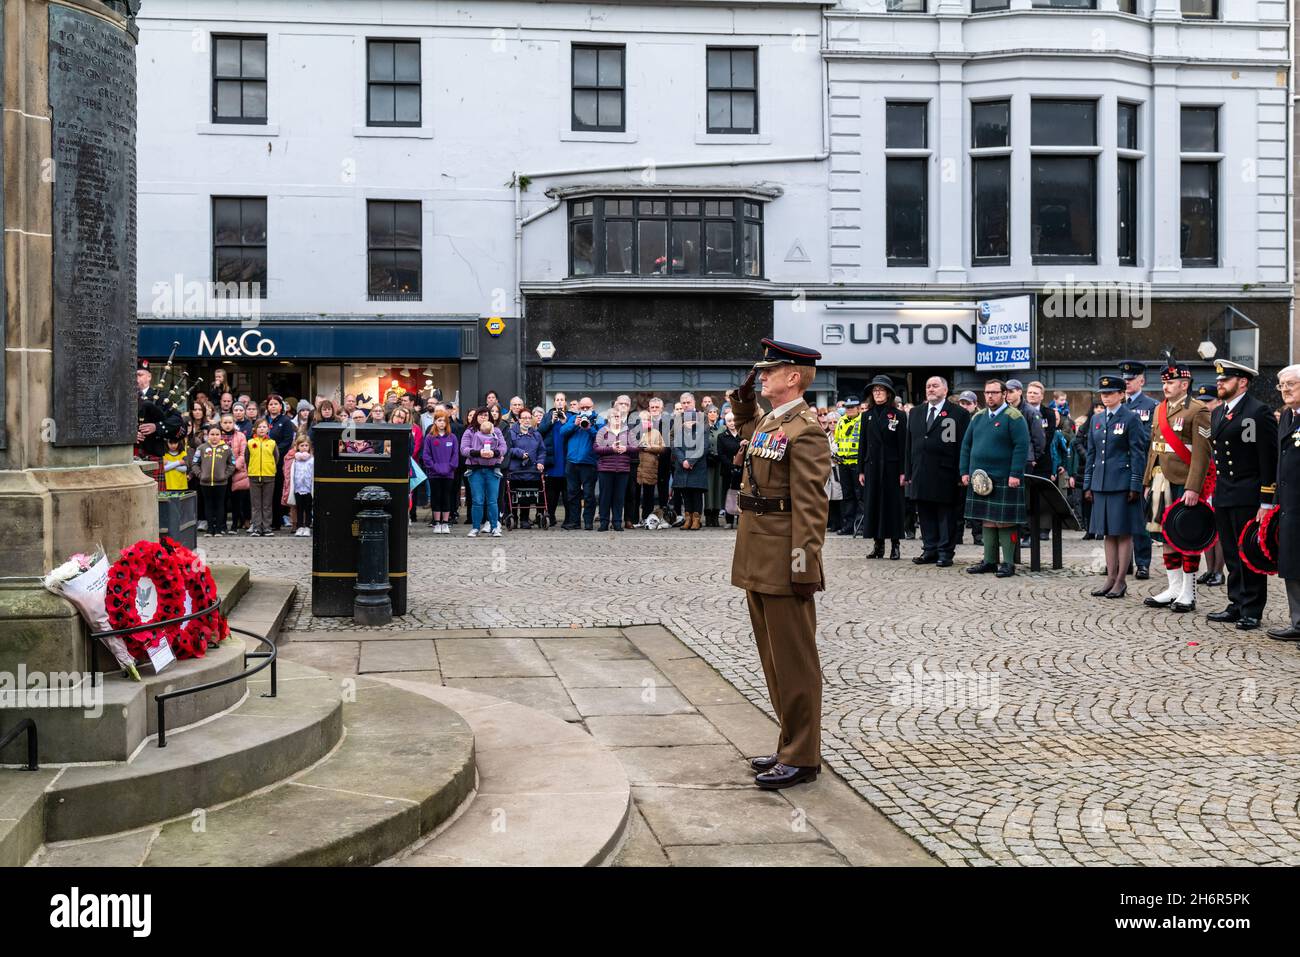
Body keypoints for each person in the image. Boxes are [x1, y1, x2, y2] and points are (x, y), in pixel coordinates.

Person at [727, 339, 830, 790]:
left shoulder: (805, 429)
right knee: (773, 660)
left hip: (785, 560)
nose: (761, 376)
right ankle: (790, 742)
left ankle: (803, 756)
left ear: (794, 377)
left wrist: (804, 566)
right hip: (757, 553)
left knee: (795, 661)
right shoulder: (773, 420)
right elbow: (750, 433)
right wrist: (745, 398)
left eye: (770, 371)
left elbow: (812, 508)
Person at [1206, 359, 1278, 631]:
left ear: (1242, 382)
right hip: (1224, 492)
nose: (1219, 384)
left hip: (1249, 493)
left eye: (1225, 380)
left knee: (1249, 552)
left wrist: (1266, 500)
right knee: (1231, 552)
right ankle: (1235, 602)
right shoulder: (1218, 413)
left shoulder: (1259, 411)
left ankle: (1252, 608)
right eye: (1219, 380)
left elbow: (1268, 460)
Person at [1141, 356, 1212, 614]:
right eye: (1164, 382)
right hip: (1161, 480)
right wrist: (1148, 480)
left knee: (1187, 535)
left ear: (1185, 384)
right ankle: (1173, 587)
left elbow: (1202, 454)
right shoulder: (1159, 409)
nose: (1166, 386)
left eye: (1172, 382)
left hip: (1183, 480)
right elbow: (1153, 449)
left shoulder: (1197, 410)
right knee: (1165, 535)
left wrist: (1194, 487)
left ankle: (1188, 592)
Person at [1083, 375, 1148, 599]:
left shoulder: (1131, 418)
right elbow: (1091, 453)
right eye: (1103, 393)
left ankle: (1121, 580)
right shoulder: (1096, 420)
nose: (1106, 397)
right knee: (1107, 533)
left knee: (1123, 533)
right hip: (1101, 483)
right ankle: (1110, 578)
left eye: (1110, 393)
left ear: (1121, 394)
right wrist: (1088, 483)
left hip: (1122, 483)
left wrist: (1135, 484)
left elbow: (1139, 453)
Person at [960, 379, 1030, 578]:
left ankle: (1008, 563)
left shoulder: (1014, 417)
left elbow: (1021, 447)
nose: (990, 396)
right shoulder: (978, 418)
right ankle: (989, 561)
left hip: (1005, 477)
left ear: (1004, 394)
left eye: (994, 392)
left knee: (1005, 521)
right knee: (987, 520)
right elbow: (966, 446)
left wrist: (1015, 473)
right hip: (980, 478)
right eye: (987, 392)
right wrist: (965, 471)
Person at [905, 375, 970, 567]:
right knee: (924, 514)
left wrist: (962, 472)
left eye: (935, 386)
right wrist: (908, 472)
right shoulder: (916, 412)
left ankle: (945, 552)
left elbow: (963, 446)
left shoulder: (958, 414)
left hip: (946, 473)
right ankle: (930, 549)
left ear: (945, 390)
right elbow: (909, 445)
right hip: (921, 472)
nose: (930, 389)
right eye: (928, 386)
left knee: (946, 515)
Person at [857, 375, 906, 560]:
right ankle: (878, 545)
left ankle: (895, 544)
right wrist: (860, 469)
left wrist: (903, 471)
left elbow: (903, 446)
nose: (877, 393)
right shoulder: (866, 416)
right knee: (873, 505)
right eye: (875, 390)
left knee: (893, 506)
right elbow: (863, 443)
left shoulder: (899, 415)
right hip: (872, 467)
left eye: (881, 390)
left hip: (892, 468)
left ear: (889, 394)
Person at [1268, 365, 1300, 641]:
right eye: (1282, 385)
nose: (1286, 390)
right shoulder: (1287, 416)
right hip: (1290, 505)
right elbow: (1281, 459)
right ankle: (1297, 622)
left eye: (1291, 384)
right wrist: (1275, 502)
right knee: (1291, 563)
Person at [1119, 360, 1158, 579]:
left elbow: (1151, 440)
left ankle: (1143, 562)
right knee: (1119, 518)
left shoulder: (1150, 406)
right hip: (1119, 469)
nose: (1127, 383)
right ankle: (1123, 562)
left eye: (1131, 379)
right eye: (1124, 380)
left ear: (1141, 380)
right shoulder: (1116, 404)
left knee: (1140, 520)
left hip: (1141, 469)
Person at [1192, 382, 1226, 586]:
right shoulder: (1200, 419)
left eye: (1209, 401)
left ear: (1219, 401)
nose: (1205, 405)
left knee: (1220, 528)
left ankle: (1219, 571)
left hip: (1221, 478)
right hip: (1204, 478)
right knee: (1206, 526)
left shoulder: (1223, 418)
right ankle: (1209, 569)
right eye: (1202, 401)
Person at [461, 408, 505, 537]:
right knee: (477, 500)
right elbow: (463, 449)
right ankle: (475, 527)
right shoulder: (470, 431)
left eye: (486, 415)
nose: (483, 417)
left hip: (493, 470)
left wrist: (495, 453)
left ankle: (494, 527)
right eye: (480, 415)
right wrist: (478, 453)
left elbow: (503, 447)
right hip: (476, 470)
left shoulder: (496, 431)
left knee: (492, 500)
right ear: (476, 417)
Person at [560, 397, 603, 530]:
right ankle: (574, 521)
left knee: (589, 494)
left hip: (588, 462)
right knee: (572, 493)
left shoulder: (598, 419)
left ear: (592, 407)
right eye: (582, 408)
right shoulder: (574, 418)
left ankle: (588, 521)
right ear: (578, 408)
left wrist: (589, 428)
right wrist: (574, 424)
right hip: (572, 461)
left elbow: (601, 437)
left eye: (587, 408)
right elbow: (562, 432)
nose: (584, 410)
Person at [594, 408, 636, 531]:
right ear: (609, 418)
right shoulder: (602, 431)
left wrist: (626, 448)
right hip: (606, 469)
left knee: (619, 497)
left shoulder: (628, 432)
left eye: (618, 416)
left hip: (622, 469)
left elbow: (636, 448)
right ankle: (604, 522)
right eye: (613, 416)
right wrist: (610, 449)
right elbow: (596, 449)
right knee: (605, 497)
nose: (616, 418)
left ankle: (617, 522)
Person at [420, 411, 460, 533]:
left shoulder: (452, 437)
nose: (441, 423)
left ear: (447, 422)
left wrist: (449, 468)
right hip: (434, 474)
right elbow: (426, 455)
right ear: (435, 422)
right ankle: (437, 523)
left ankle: (445, 523)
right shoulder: (430, 437)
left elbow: (455, 455)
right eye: (439, 420)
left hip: (448, 474)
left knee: (446, 497)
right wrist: (434, 467)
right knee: (436, 497)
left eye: (444, 421)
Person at [506, 408, 546, 528]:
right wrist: (519, 453)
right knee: (514, 496)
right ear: (519, 419)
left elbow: (542, 451)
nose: (527, 420)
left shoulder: (536, 434)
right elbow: (507, 449)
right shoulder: (511, 433)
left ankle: (524, 519)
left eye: (529, 418)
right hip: (516, 471)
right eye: (524, 418)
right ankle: (513, 517)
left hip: (532, 470)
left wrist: (540, 462)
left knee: (527, 496)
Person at [192, 425, 234, 536]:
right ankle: (210, 529)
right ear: (207, 435)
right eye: (212, 434)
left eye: (217, 434)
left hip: (221, 483)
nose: (214, 437)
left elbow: (232, 464)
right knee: (208, 505)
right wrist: (200, 475)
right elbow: (195, 463)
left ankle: (219, 529)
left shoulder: (226, 449)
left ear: (221, 436)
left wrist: (225, 475)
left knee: (220, 505)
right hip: (205, 482)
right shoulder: (201, 448)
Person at [672, 409, 709, 530]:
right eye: (687, 420)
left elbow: (703, 448)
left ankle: (696, 520)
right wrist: (683, 461)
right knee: (686, 494)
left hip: (697, 468)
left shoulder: (702, 432)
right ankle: (687, 518)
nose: (689, 423)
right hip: (682, 467)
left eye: (692, 420)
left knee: (696, 494)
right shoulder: (679, 432)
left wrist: (691, 461)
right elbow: (676, 447)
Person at [264, 395, 296, 530]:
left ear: (281, 406)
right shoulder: (264, 421)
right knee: (265, 492)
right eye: (270, 404)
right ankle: (265, 521)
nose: (273, 406)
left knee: (276, 491)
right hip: (263, 461)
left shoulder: (286, 421)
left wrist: (273, 451)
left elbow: (287, 441)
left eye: (276, 404)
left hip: (277, 461)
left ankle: (276, 521)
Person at [538, 392, 570, 528]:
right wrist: (551, 422)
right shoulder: (547, 416)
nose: (559, 402)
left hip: (566, 460)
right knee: (551, 493)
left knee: (567, 493)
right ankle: (550, 517)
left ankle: (569, 519)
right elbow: (540, 432)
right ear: (554, 402)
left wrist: (564, 422)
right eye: (557, 400)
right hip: (552, 460)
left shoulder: (570, 417)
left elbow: (572, 432)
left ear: (565, 402)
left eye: (562, 399)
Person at [833, 396, 863, 536]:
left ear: (858, 408)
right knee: (847, 495)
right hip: (843, 463)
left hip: (857, 463)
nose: (849, 410)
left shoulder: (862, 421)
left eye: (852, 407)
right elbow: (837, 441)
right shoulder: (841, 421)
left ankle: (861, 525)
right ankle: (848, 525)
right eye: (847, 407)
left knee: (860, 495)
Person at [247, 418, 279, 536]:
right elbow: (247, 458)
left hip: (268, 476)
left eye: (264, 427)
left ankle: (266, 528)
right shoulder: (250, 443)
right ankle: (256, 527)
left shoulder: (272, 443)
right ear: (255, 429)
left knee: (267, 504)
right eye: (259, 427)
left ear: (268, 429)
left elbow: (276, 458)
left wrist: (270, 467)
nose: (262, 429)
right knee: (256, 504)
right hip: (254, 476)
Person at [634, 408, 666, 527]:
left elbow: (662, 448)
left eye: (647, 419)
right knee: (635, 495)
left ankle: (647, 518)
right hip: (637, 468)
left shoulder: (655, 432)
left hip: (650, 468)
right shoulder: (633, 432)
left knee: (649, 496)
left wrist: (648, 447)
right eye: (642, 419)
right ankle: (634, 519)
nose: (645, 421)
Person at [220, 412, 249, 532]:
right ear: (221, 424)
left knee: (236, 500)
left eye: (230, 422)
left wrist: (234, 466)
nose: (227, 425)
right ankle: (222, 525)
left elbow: (243, 454)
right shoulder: (218, 436)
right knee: (222, 499)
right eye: (225, 423)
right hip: (221, 472)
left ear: (234, 423)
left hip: (237, 472)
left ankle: (235, 525)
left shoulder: (240, 436)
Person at [717, 410, 744, 529]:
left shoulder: (743, 435)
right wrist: (732, 465)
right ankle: (729, 520)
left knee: (741, 494)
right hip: (728, 470)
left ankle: (740, 520)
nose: (732, 423)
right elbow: (721, 454)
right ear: (725, 423)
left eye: (734, 420)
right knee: (729, 495)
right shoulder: (722, 436)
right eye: (729, 421)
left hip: (742, 470)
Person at [286, 436, 315, 537]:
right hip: (298, 488)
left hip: (308, 488)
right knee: (299, 508)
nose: (304, 447)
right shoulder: (295, 460)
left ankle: (307, 526)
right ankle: (299, 527)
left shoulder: (312, 460)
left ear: (309, 447)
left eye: (306, 445)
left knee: (308, 508)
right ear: (297, 447)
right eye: (302, 445)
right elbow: (292, 474)